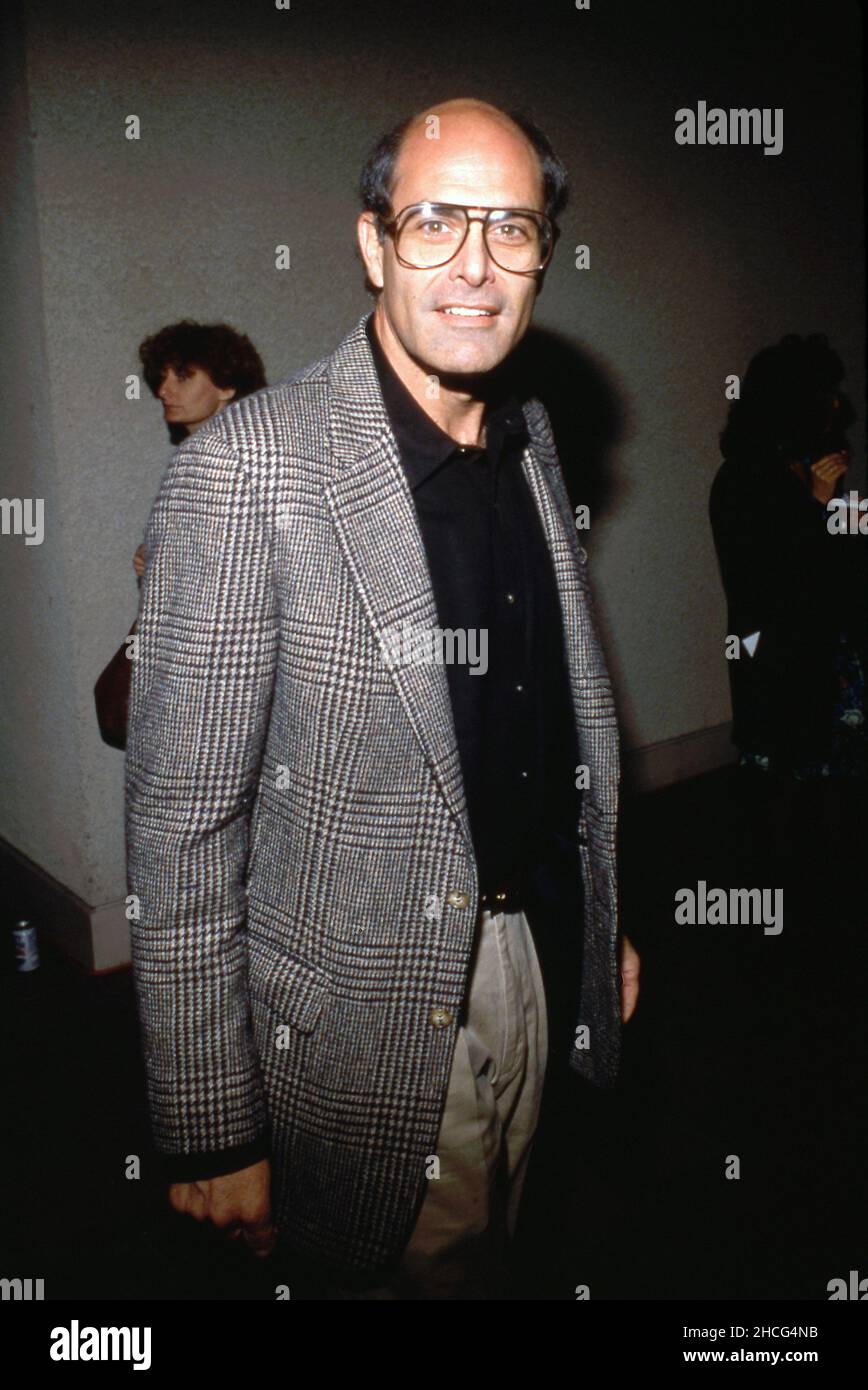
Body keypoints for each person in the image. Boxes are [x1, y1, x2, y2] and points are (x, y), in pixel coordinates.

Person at [125, 98, 639, 1300]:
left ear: (543, 256)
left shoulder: (531, 434)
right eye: (433, 222)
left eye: (511, 228)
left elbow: (538, 721)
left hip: (532, 956)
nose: (474, 264)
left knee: (516, 1247)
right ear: (370, 244)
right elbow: (181, 829)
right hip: (363, 1018)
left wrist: (593, 911)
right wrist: (213, 1125)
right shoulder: (245, 469)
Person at [709, 333, 868, 865]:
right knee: (780, 777)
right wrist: (818, 507)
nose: (836, 403)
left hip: (826, 648)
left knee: (831, 779)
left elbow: (839, 565)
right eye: (823, 391)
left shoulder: (812, 467)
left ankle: (826, 886)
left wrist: (848, 516)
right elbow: (767, 579)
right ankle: (773, 900)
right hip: (776, 652)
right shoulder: (743, 478)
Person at [132, 321, 267, 577]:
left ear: (226, 386)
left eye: (182, 378)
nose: (163, 390)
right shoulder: (194, 460)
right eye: (162, 377)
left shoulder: (242, 462)